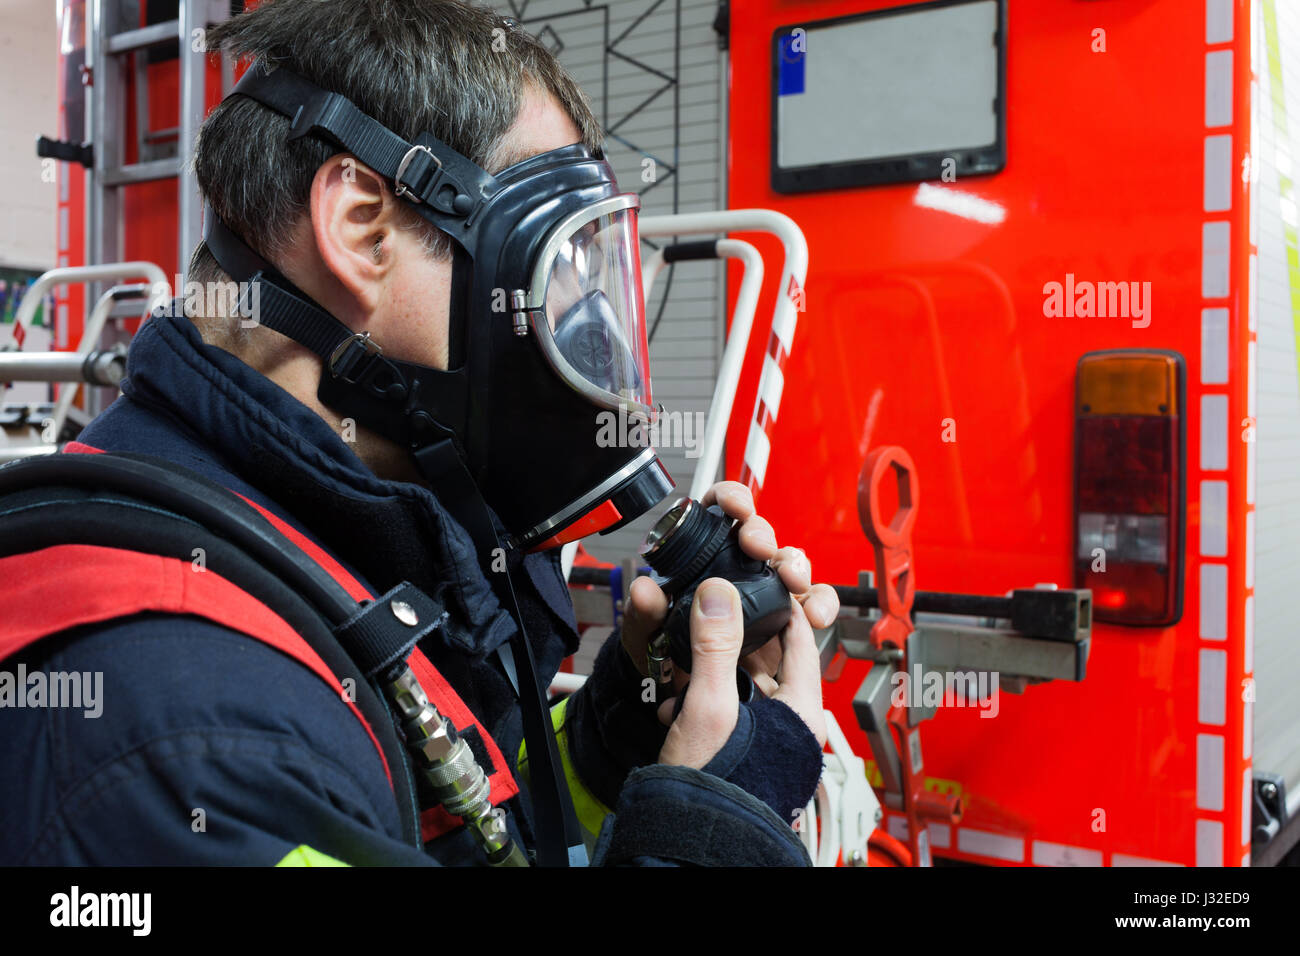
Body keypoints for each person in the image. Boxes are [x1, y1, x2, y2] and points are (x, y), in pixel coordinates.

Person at [0, 0, 839, 866]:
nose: (575, 327)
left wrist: (619, 730)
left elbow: (458, 818)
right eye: (547, 264)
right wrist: (712, 839)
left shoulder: (311, 546)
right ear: (361, 229)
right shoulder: (188, 744)